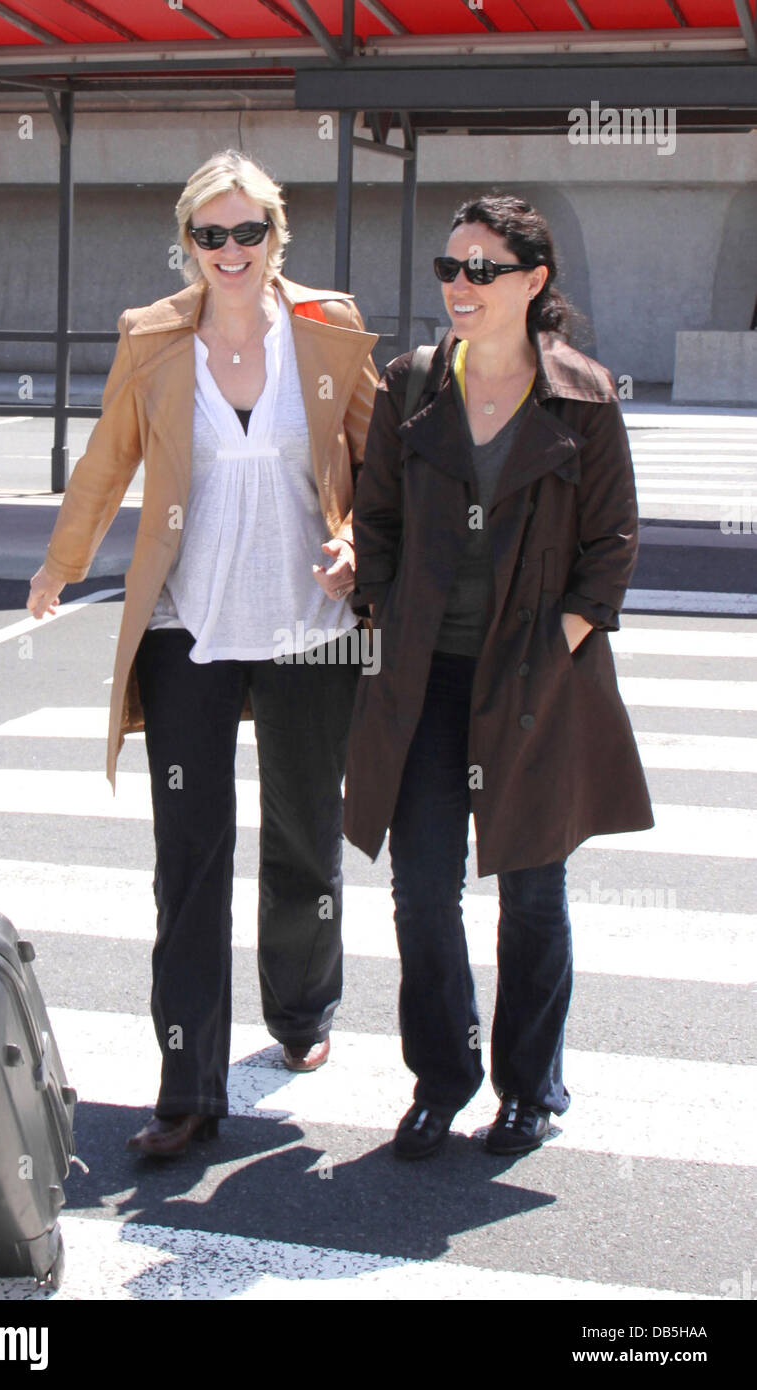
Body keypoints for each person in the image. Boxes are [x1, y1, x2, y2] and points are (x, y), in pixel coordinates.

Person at [27, 150, 378, 1158]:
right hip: (189, 626)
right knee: (188, 857)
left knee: (304, 835)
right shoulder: (153, 338)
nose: (230, 250)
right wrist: (60, 564)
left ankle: (302, 1009)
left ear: (276, 236)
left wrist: (357, 541)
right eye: (210, 234)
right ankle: (187, 1087)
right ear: (187, 241)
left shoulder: (325, 329)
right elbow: (107, 460)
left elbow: (380, 462)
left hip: (309, 625)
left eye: (247, 231)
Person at [343, 193, 654, 1160]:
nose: (460, 285)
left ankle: (528, 1087)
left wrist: (556, 643)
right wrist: (380, 610)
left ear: (533, 280)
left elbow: (612, 543)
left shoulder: (583, 398)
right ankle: (442, 1077)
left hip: (532, 680)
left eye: (482, 268)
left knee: (531, 889)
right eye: (450, 267)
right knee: (422, 889)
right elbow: (376, 518)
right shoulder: (411, 384)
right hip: (426, 676)